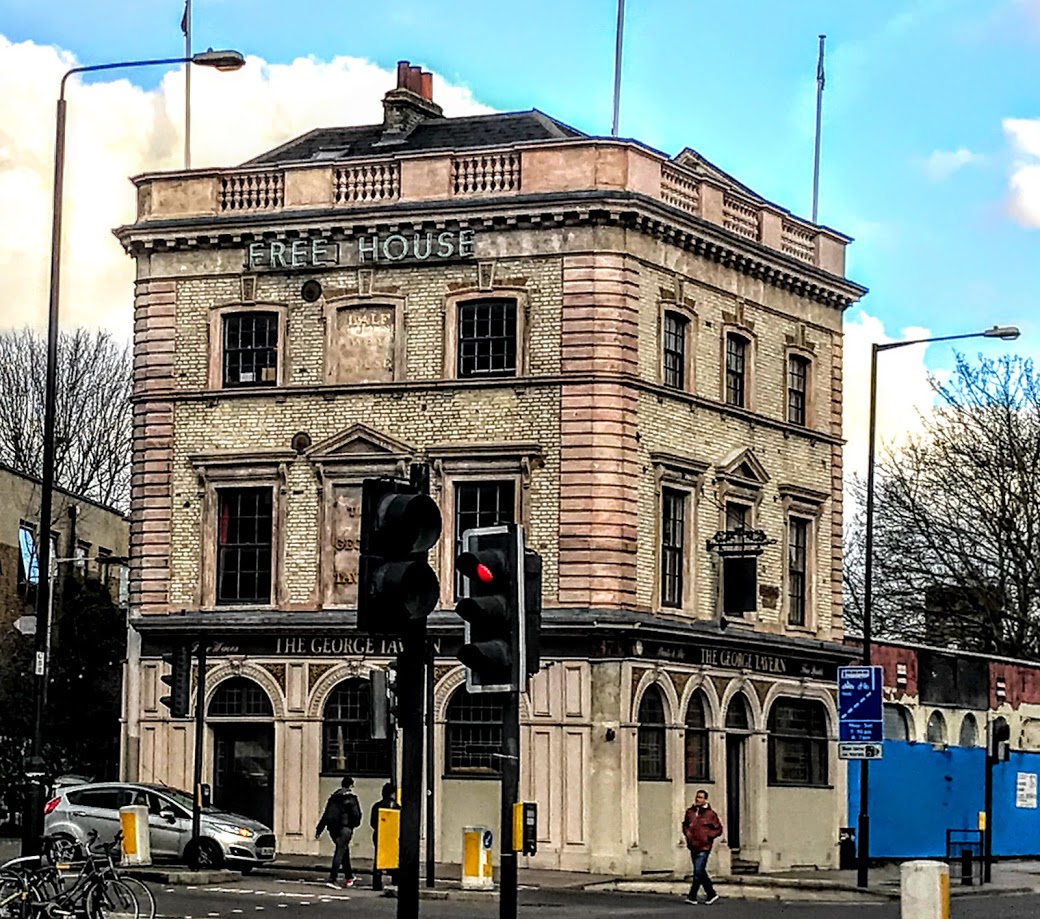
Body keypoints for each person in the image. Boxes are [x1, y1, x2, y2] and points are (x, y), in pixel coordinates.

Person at [316, 776, 362, 889]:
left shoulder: (333, 798)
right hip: (345, 828)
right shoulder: (351, 798)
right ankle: (333, 878)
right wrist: (353, 825)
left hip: (332, 828)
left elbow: (326, 814)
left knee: (343, 850)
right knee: (340, 851)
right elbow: (356, 815)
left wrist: (319, 829)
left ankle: (349, 876)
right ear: (351, 785)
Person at [682, 788, 723, 905]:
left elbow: (718, 829)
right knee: (700, 872)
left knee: (697, 872)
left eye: (700, 797)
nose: (697, 799)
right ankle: (711, 894)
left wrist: (708, 836)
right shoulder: (690, 812)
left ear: (705, 799)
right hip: (693, 845)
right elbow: (685, 824)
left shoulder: (710, 814)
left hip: (704, 846)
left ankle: (692, 896)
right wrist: (687, 834)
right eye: (697, 796)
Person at [369, 782, 399, 891]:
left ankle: (376, 883)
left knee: (378, 858)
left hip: (379, 834)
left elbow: (372, 822)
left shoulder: (376, 806)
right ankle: (395, 880)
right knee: (394, 858)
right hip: (392, 835)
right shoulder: (397, 807)